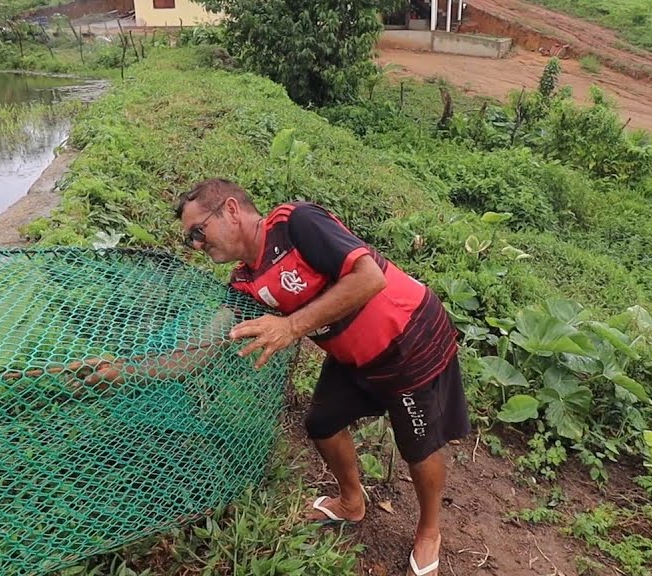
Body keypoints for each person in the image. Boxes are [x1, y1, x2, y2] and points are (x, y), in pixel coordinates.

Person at [175, 178, 469, 576]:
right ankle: (352, 502)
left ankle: (429, 529)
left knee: (419, 444)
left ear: (230, 210)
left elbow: (369, 279)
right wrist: (121, 372)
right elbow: (204, 347)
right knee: (322, 423)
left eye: (198, 231)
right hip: (353, 355)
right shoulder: (244, 282)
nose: (196, 244)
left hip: (407, 339)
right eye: (189, 239)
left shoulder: (296, 224)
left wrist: (292, 326)